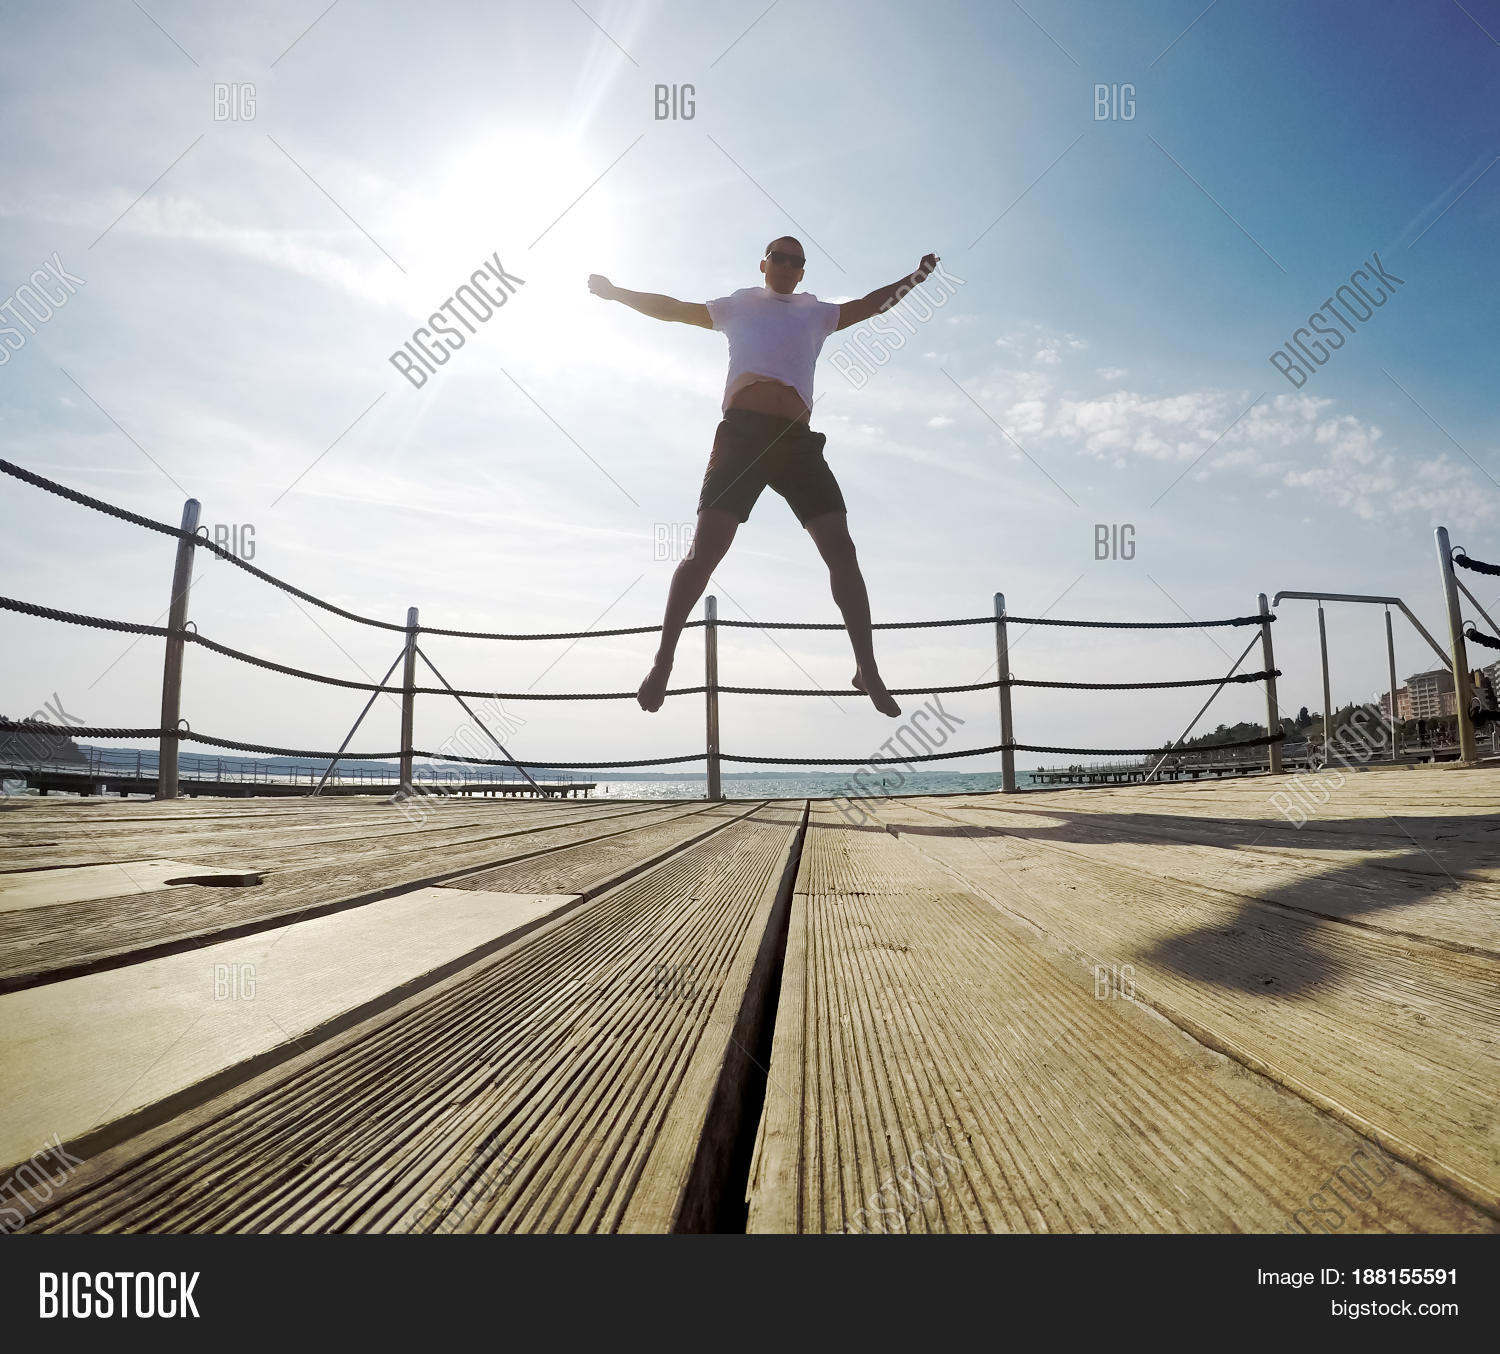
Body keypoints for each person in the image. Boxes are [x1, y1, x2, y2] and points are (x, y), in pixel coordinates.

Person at [587, 236, 941, 717]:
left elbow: (869, 306)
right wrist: (616, 292)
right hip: (742, 438)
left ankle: (867, 669)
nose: (787, 264)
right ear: (764, 263)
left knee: (842, 549)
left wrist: (915, 278)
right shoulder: (738, 306)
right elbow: (672, 308)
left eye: (797, 261)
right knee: (706, 550)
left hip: (796, 441)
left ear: (801, 273)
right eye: (779, 256)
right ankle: (664, 659)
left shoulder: (816, 314)